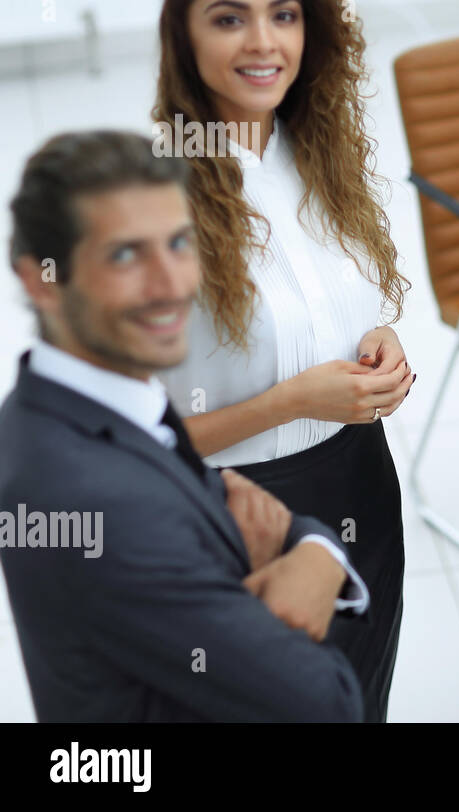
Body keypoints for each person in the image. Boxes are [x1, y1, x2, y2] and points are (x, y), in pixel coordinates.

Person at [1, 130, 367, 721]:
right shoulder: (93, 502)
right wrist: (317, 556)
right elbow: (325, 705)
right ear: (42, 278)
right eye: (125, 255)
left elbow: (240, 509)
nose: (172, 285)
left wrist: (303, 547)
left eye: (178, 244)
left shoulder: (83, 397)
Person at [150, 0, 413, 722]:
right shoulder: (150, 199)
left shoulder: (320, 154)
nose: (263, 42)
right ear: (184, 38)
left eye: (284, 14)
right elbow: (132, 443)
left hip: (362, 489)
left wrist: (382, 348)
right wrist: (295, 401)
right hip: (241, 515)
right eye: (230, 18)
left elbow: (343, 315)